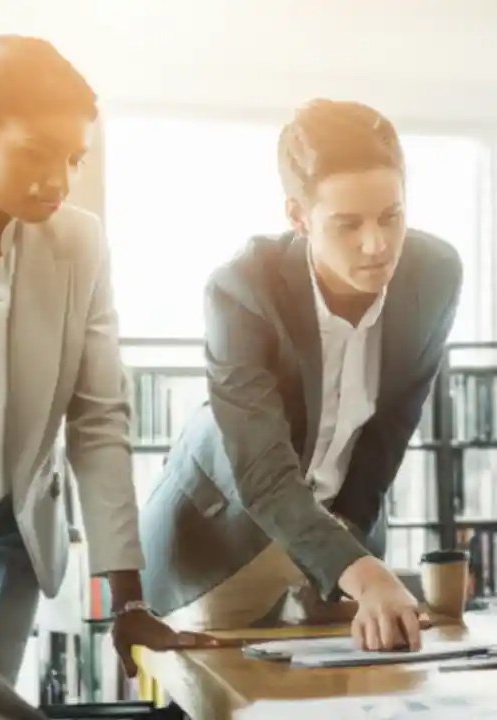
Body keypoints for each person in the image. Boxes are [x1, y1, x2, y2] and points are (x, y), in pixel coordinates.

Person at [139, 98, 462, 652]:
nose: (377, 244)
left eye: (391, 216)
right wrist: (362, 573)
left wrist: (345, 563)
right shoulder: (242, 289)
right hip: (225, 539)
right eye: (347, 224)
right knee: (230, 698)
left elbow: (387, 438)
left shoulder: (434, 276)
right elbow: (261, 472)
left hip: (342, 534)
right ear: (298, 216)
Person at [0, 35, 217, 684]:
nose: (58, 180)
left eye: (73, 158)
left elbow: (99, 420)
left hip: (5, 534)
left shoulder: (79, 243)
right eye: (35, 153)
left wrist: (128, 598)